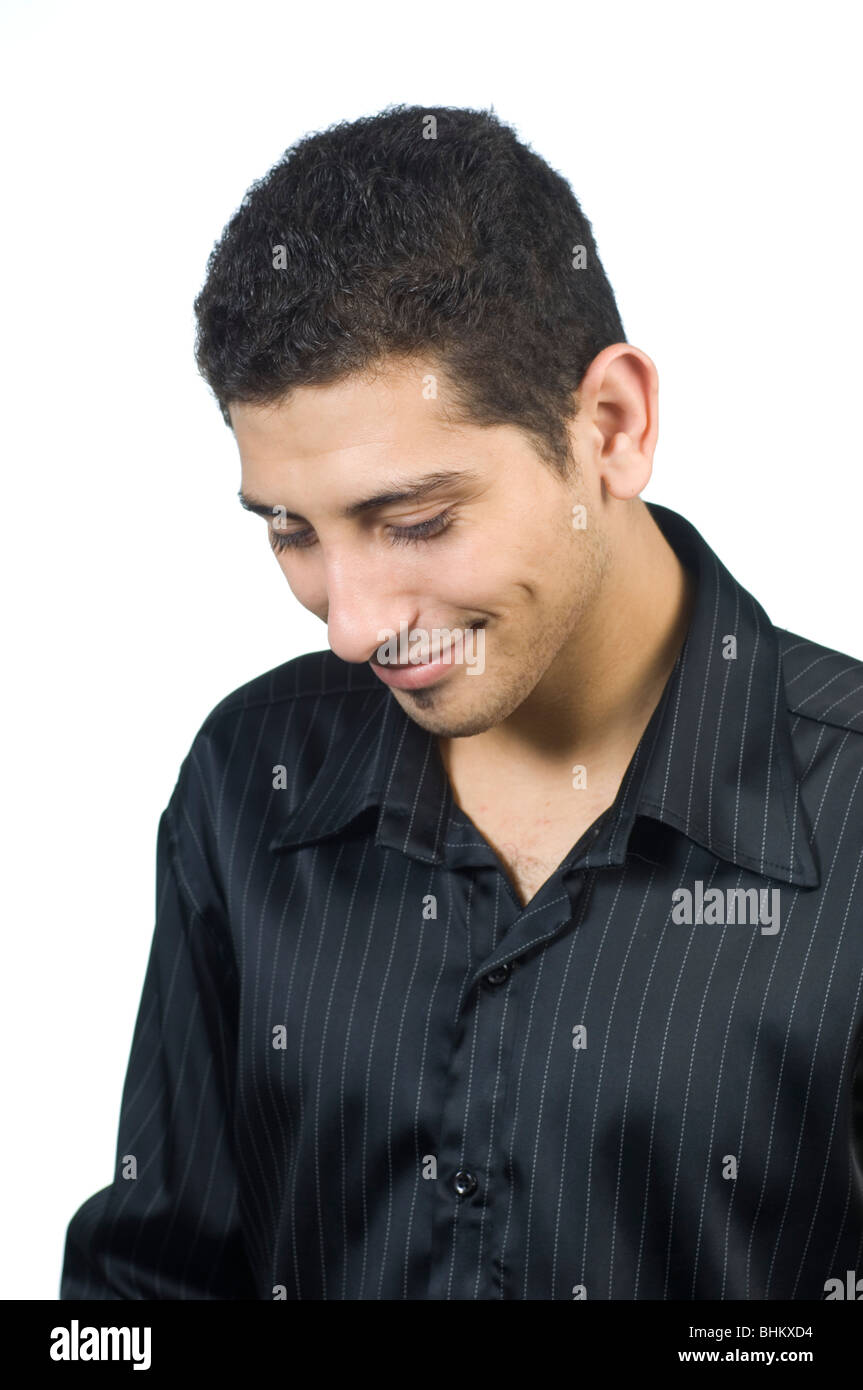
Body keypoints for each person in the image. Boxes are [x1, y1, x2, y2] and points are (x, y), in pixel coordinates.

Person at [60, 103, 863, 1301]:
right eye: (291, 531)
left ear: (611, 426)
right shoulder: (245, 777)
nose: (350, 625)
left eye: (416, 521)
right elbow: (149, 1290)